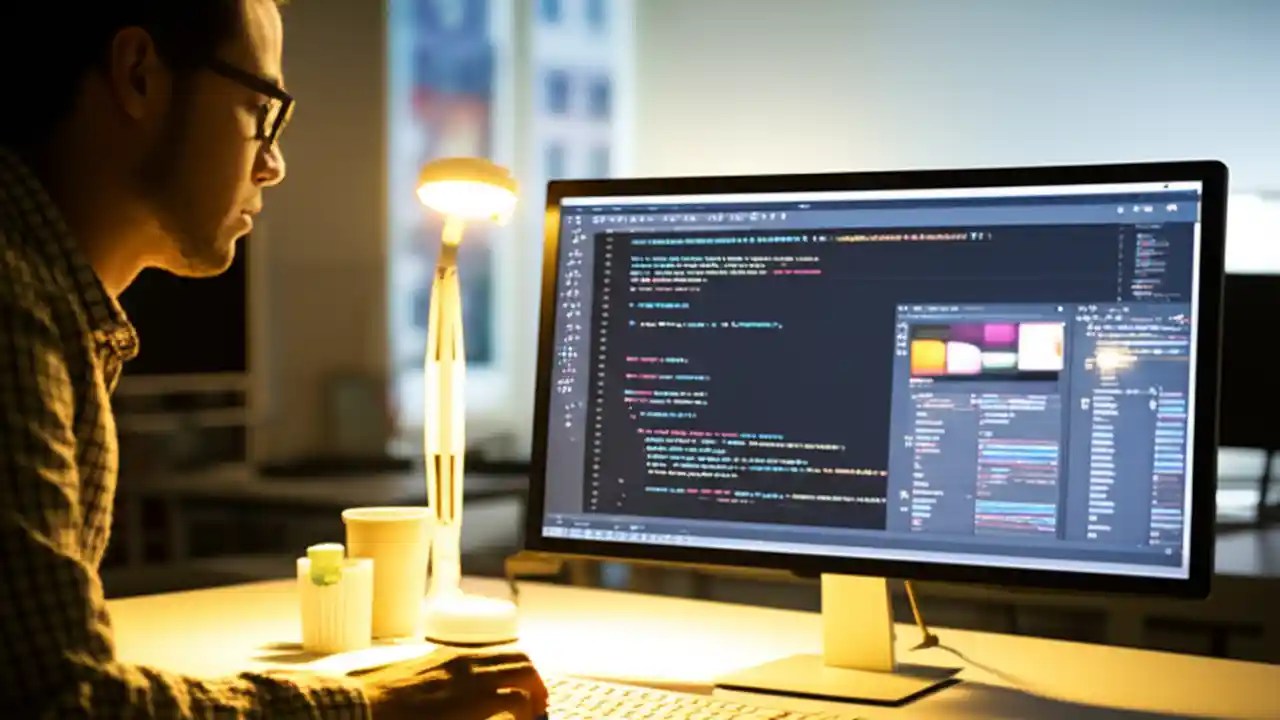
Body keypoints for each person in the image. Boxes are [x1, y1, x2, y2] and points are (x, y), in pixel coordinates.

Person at [0, 2, 547, 718]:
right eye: (262, 109)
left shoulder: (56, 305)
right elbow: (62, 700)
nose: (274, 164)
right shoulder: (15, 307)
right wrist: (361, 707)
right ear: (138, 76)